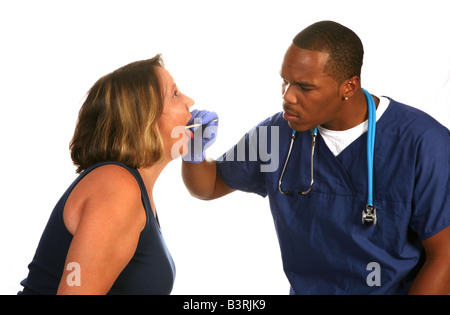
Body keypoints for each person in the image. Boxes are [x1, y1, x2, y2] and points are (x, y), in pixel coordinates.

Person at [182, 21, 450, 294]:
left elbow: (445, 256)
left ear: (349, 86)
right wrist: (193, 152)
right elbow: (211, 185)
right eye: (284, 82)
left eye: (304, 88)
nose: (288, 97)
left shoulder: (422, 142)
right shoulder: (276, 133)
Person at [19, 55, 195, 294]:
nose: (190, 101)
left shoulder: (133, 189)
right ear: (144, 118)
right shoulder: (118, 188)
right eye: (175, 94)